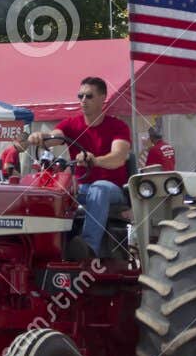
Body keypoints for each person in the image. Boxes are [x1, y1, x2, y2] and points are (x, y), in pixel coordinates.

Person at [28, 76, 132, 254]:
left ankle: (89, 248)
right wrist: (38, 137)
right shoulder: (70, 124)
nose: (83, 100)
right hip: (82, 188)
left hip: (113, 190)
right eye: (80, 96)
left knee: (99, 188)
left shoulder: (118, 126)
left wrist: (95, 160)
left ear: (103, 98)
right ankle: (46, 250)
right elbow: (54, 137)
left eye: (89, 96)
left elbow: (119, 157)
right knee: (51, 192)